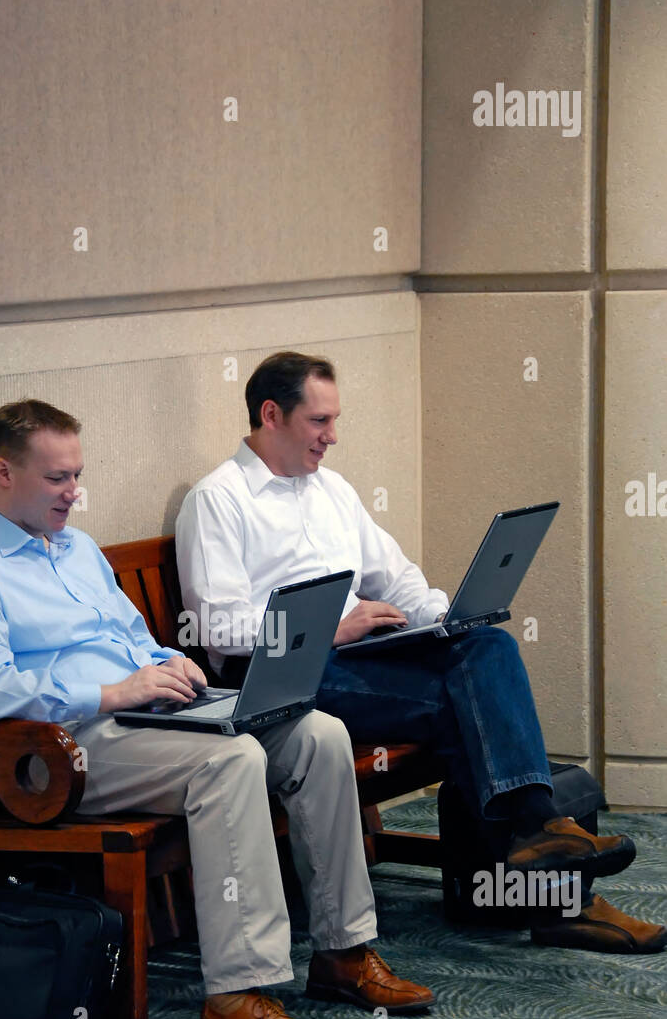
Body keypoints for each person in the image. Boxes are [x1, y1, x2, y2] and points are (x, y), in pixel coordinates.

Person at [0, 398, 437, 1019]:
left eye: (78, 476)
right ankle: (238, 998)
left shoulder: (77, 550)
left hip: (145, 720)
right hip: (60, 750)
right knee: (233, 762)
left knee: (317, 733)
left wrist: (168, 662)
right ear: (3, 472)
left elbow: (132, 639)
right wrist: (112, 692)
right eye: (56, 479)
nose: (73, 492)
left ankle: (344, 950)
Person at [175, 352, 666, 955]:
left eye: (335, 420)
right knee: (468, 708)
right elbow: (217, 625)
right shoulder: (218, 500)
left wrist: (445, 621)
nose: (332, 436)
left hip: (361, 654)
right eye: (319, 421)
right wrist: (333, 626)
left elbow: (395, 574)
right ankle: (555, 885)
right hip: (286, 676)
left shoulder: (331, 489)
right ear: (271, 414)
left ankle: (537, 841)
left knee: (486, 645)